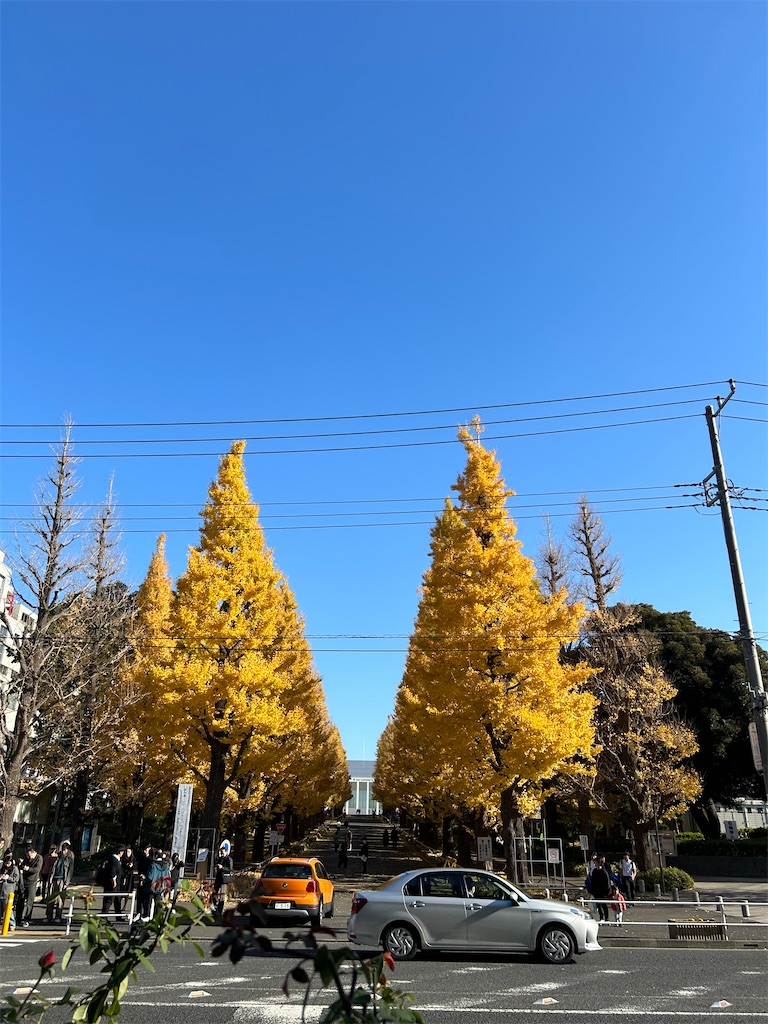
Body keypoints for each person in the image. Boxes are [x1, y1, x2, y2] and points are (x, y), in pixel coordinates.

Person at [47, 841, 74, 923]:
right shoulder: (56, 857)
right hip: (53, 879)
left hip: (62, 880)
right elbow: (51, 866)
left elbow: (70, 872)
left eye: (65, 850)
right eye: (62, 849)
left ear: (67, 850)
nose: (63, 851)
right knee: (51, 898)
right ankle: (49, 916)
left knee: (60, 900)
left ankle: (58, 916)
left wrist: (66, 883)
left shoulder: (69, 859)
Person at [19, 843, 43, 927]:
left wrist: (28, 868)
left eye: (29, 855)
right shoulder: (26, 858)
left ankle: (27, 919)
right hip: (24, 881)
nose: (29, 857)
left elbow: (37, 869)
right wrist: (21, 864)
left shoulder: (39, 858)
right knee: (20, 900)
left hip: (32, 882)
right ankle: (18, 918)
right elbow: (22, 866)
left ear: (33, 852)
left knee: (29, 902)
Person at [102, 845, 125, 919]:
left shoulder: (115, 859)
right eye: (122, 852)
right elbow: (112, 872)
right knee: (109, 900)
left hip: (116, 884)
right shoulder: (114, 860)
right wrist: (114, 881)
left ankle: (118, 916)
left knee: (117, 900)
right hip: (112, 884)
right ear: (120, 852)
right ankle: (104, 918)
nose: (123, 853)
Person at [0, 851, 20, 931]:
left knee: (8, 909)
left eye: (8, 863)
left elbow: (16, 879)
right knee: (1, 909)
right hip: (1, 890)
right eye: (6, 863)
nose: (7, 865)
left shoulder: (14, 869)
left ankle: (12, 923)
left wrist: (8, 878)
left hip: (9, 891)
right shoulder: (2, 869)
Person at [213, 840, 233, 917]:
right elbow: (215, 862)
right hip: (218, 878)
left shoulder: (229, 859)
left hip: (224, 878)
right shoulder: (220, 858)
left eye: (222, 852)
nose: (221, 853)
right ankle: (215, 906)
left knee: (222, 895)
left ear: (226, 852)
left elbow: (230, 869)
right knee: (214, 893)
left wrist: (222, 868)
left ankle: (219, 911)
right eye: (221, 852)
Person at [589, 856, 612, 922]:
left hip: (603, 892)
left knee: (604, 905)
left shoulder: (604, 871)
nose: (595, 863)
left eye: (596, 862)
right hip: (596, 891)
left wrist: (607, 892)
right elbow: (592, 882)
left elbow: (607, 882)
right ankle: (601, 917)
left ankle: (607, 918)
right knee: (598, 905)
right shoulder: (594, 871)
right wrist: (592, 891)